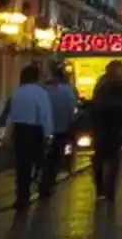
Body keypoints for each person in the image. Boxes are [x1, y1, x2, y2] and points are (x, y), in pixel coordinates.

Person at [7, 64, 53, 210]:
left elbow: (12, 114)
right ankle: (39, 186)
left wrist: (9, 134)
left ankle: (22, 196)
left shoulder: (18, 92)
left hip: (20, 130)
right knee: (39, 161)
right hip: (35, 130)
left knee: (22, 165)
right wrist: (48, 133)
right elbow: (45, 114)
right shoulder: (40, 93)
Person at [90, 60, 122, 201]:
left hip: (102, 126)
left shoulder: (101, 84)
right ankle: (108, 189)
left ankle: (101, 188)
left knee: (101, 157)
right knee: (112, 158)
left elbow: (94, 103)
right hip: (114, 126)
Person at [40, 66, 77, 196]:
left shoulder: (44, 90)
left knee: (43, 158)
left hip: (43, 129)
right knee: (55, 158)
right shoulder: (68, 91)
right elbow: (72, 109)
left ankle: (41, 182)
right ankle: (48, 183)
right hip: (61, 129)